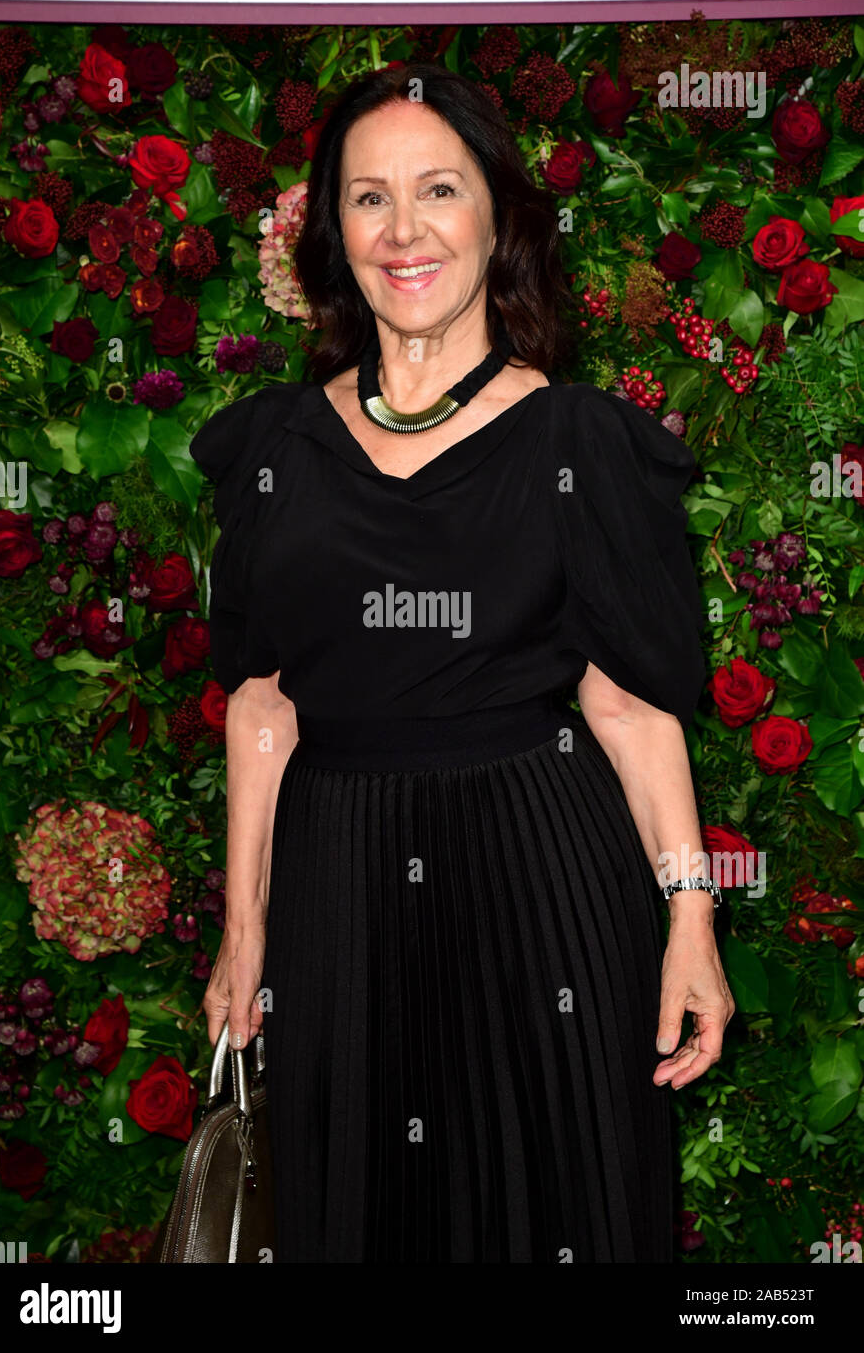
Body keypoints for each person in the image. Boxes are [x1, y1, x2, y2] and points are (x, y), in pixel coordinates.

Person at [189, 61, 734, 1264]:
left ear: (498, 217)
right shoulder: (278, 449)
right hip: (342, 899)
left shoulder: (575, 440)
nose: (405, 229)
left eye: (438, 189)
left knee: (561, 1206)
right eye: (368, 197)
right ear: (333, 229)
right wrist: (246, 930)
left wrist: (690, 919)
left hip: (543, 886)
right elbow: (264, 705)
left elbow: (632, 711)